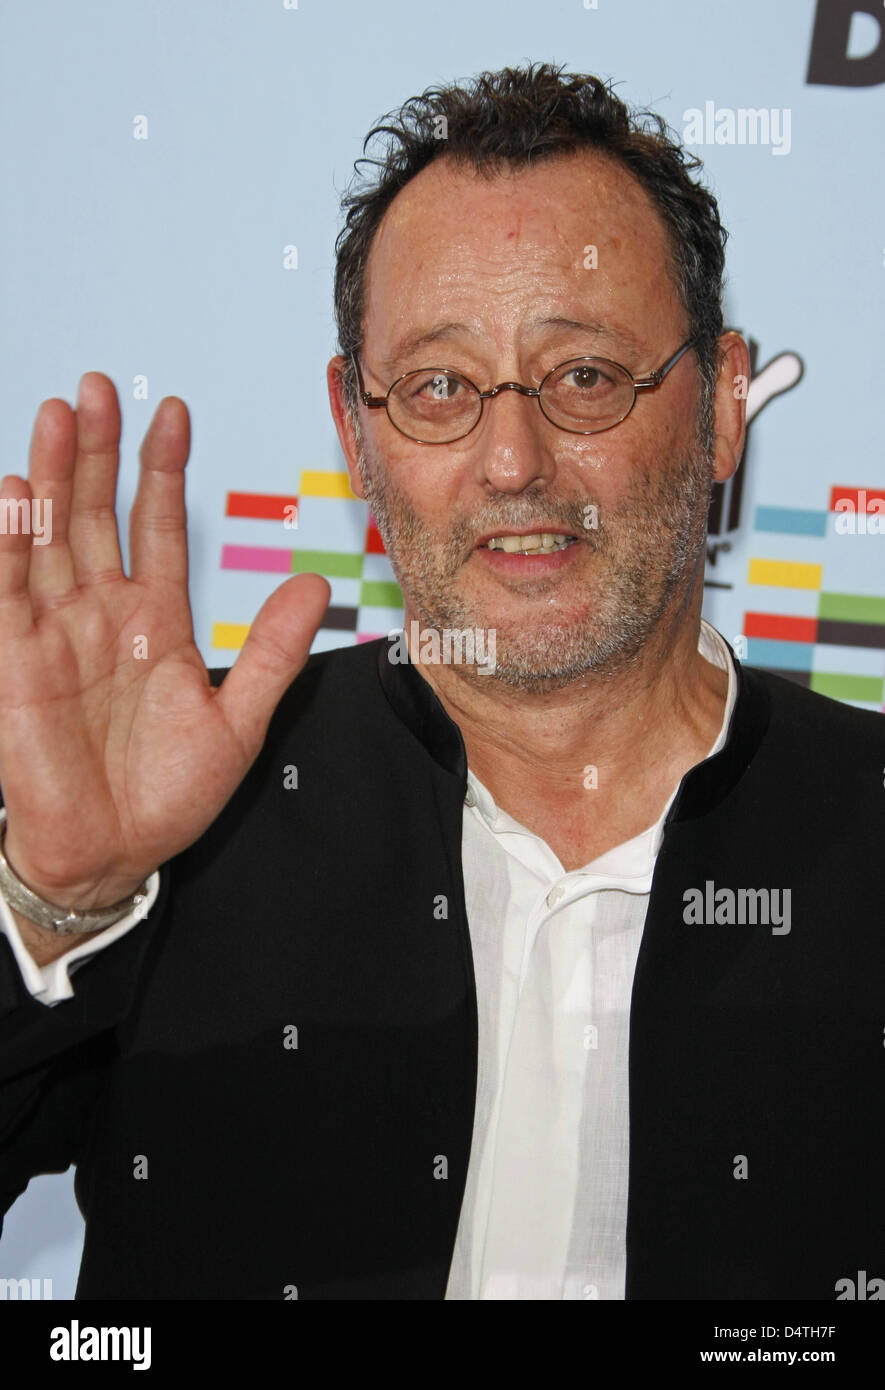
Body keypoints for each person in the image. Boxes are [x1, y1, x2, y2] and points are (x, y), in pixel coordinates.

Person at [0, 62, 882, 1301]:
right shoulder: (189, 799)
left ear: (725, 404)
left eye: (585, 376)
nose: (512, 461)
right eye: (439, 389)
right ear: (357, 432)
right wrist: (51, 906)